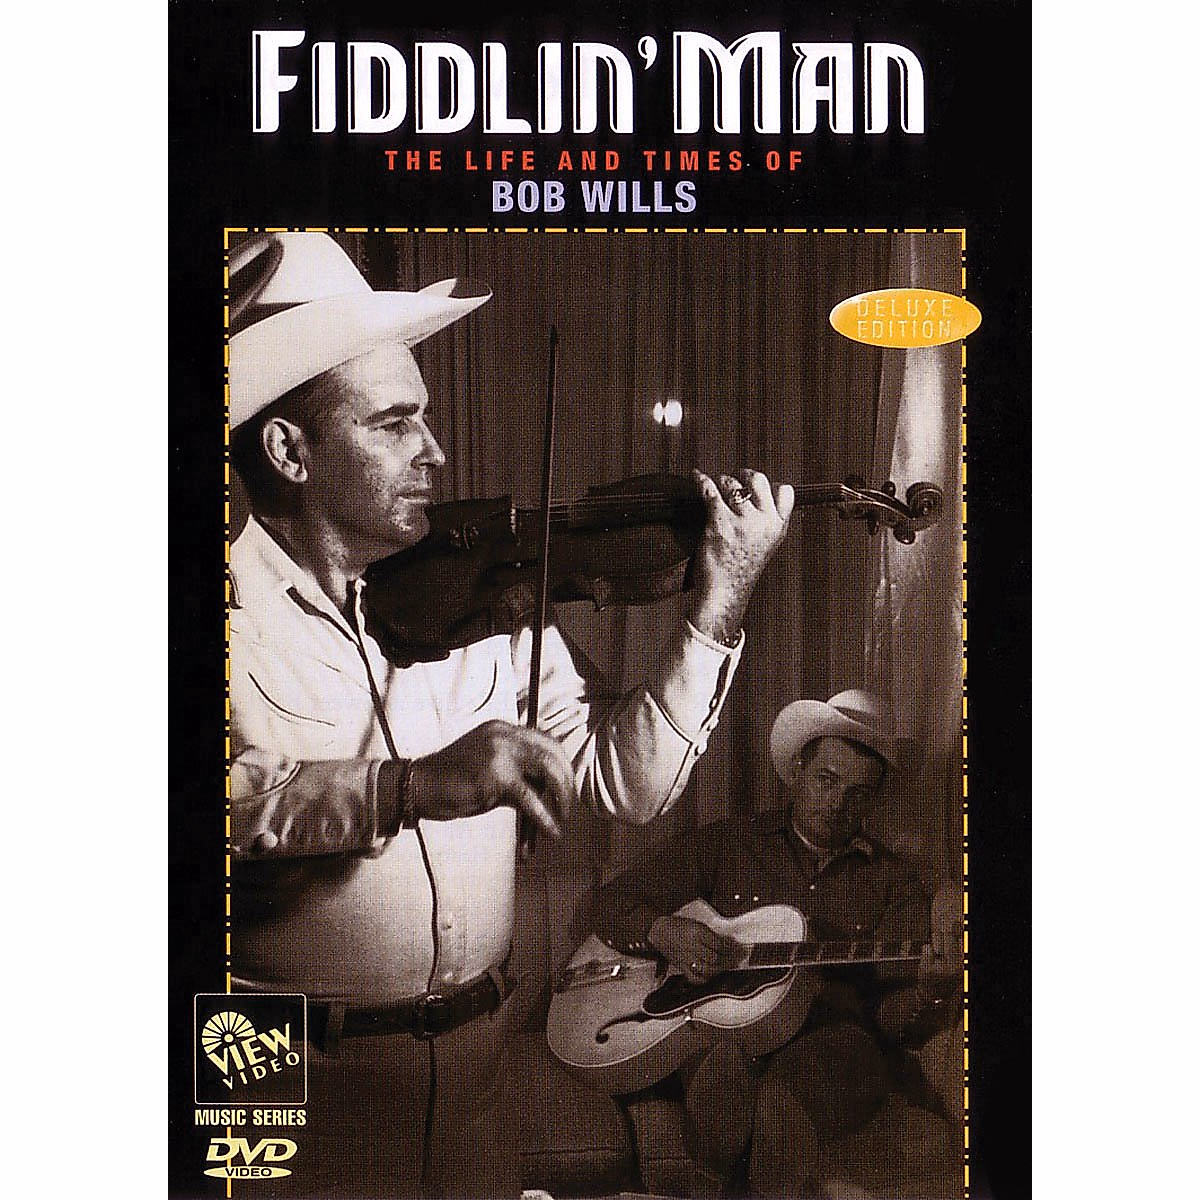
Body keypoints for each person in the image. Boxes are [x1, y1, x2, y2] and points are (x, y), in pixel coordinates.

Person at [225, 231, 794, 1199]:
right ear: (289, 451)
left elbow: (627, 787)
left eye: (427, 415)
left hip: (475, 1074)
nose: (434, 451)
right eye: (394, 424)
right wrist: (410, 786)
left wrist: (717, 607)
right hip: (272, 1065)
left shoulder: (487, 598)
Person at [591, 690, 964, 1198]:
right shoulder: (731, 842)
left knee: (783, 1095)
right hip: (725, 1037)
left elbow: (890, 1020)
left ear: (873, 799)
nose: (837, 804)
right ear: (798, 771)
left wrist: (931, 994)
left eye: (857, 793)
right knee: (724, 1069)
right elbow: (610, 902)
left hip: (834, 1047)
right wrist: (664, 931)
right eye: (827, 780)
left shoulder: (894, 882)